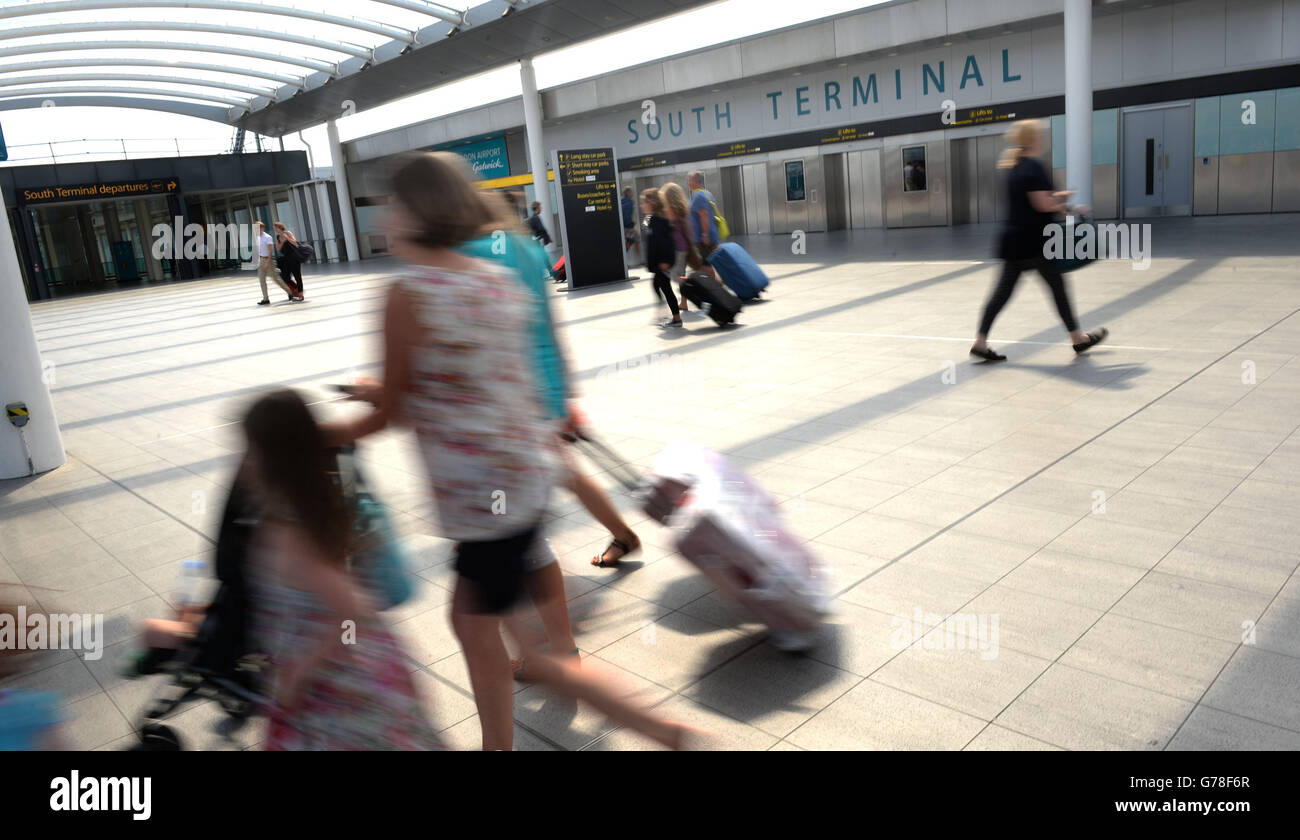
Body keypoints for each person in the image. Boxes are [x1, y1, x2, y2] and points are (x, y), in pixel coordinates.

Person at [322, 151, 693, 751]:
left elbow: (390, 413)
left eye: (393, 201)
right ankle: (646, 726)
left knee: (484, 631)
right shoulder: (491, 278)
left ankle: (661, 730)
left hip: (479, 499)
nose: (385, 213)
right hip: (522, 480)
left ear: (415, 211)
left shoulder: (406, 293)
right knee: (500, 630)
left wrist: (317, 435)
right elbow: (474, 378)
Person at [242, 389, 443, 750]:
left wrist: (302, 670)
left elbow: (353, 610)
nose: (244, 460)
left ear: (272, 458)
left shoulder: (290, 534)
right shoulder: (297, 511)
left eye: (251, 449)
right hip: (336, 687)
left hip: (343, 693)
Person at [971, 120, 1108, 362]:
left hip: (1014, 241)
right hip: (1035, 243)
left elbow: (1035, 200)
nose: (1043, 139)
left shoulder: (1014, 165)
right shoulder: (1034, 166)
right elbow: (1041, 204)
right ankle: (1078, 339)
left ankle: (980, 342)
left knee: (1002, 293)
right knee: (1058, 289)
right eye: (1040, 135)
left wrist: (1060, 201)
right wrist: (1065, 203)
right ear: (1033, 140)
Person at [641, 188, 681, 328]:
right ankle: (666, 313)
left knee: (666, 289)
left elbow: (665, 242)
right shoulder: (654, 219)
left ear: (652, 203)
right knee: (658, 286)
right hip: (658, 263)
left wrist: (664, 261)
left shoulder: (658, 220)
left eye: (644, 202)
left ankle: (676, 318)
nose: (642, 205)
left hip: (662, 263)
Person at [661, 182, 692, 312]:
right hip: (684, 246)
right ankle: (684, 302)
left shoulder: (671, 210)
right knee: (681, 274)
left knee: (675, 276)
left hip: (677, 248)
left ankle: (694, 289)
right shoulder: (682, 207)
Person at [685, 171, 720, 280]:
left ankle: (714, 290)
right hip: (708, 236)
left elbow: (704, 216)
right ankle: (713, 287)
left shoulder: (698, 196)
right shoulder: (706, 193)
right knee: (704, 265)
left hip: (703, 238)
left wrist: (705, 235)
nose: (688, 183)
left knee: (704, 266)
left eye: (689, 180)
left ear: (696, 181)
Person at [254, 221, 294, 305]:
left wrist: (268, 263)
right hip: (261, 260)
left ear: (262, 228)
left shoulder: (267, 237)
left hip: (269, 260)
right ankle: (265, 299)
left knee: (276, 279)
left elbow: (270, 251)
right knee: (262, 280)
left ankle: (290, 292)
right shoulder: (257, 238)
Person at [273, 222, 305, 301]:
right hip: (285, 258)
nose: (275, 230)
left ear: (280, 227)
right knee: (284, 276)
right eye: (274, 228)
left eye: (276, 228)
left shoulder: (288, 233)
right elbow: (278, 249)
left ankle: (300, 295)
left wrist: (287, 238)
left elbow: (294, 243)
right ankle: (295, 289)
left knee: (297, 276)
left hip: (294, 257)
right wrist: (282, 242)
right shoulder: (277, 237)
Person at [621, 187, 640, 258]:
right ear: (628, 193)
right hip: (628, 226)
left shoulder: (621, 200)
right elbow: (627, 216)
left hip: (622, 226)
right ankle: (639, 258)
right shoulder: (630, 202)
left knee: (630, 239)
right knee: (636, 238)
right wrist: (630, 227)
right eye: (631, 192)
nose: (632, 194)